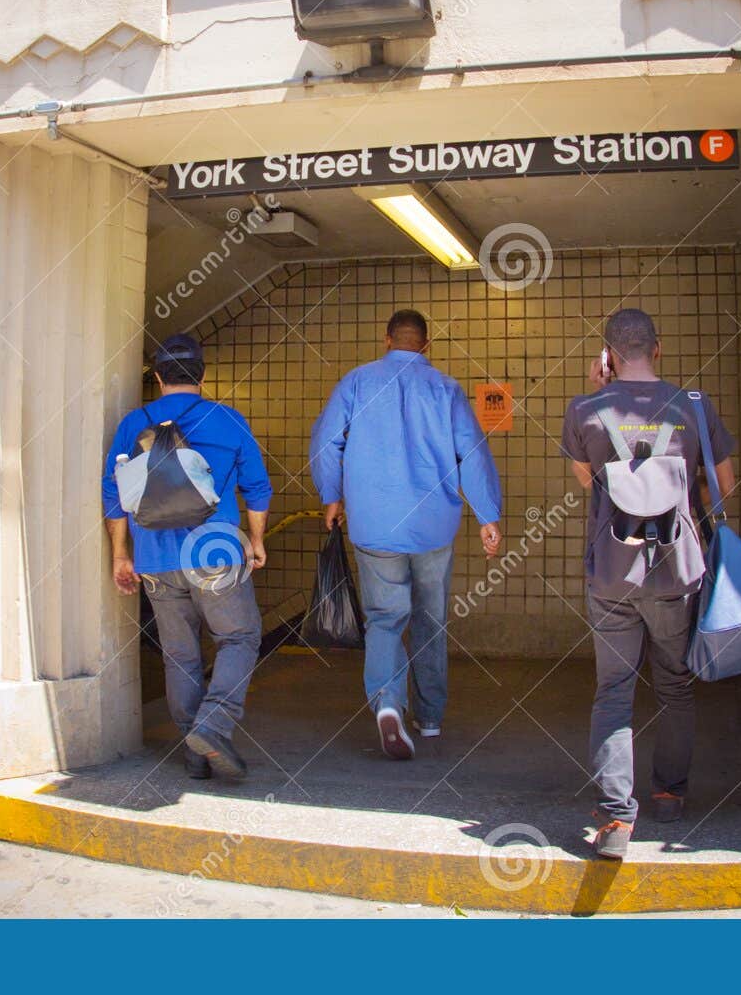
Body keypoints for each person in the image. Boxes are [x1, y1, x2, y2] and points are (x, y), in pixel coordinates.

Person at [561, 308, 736, 860]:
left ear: (608, 355)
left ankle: (615, 819)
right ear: (657, 349)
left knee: (613, 692)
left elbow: (590, 483)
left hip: (612, 572)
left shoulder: (585, 410)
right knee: (675, 685)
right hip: (677, 572)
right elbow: (724, 488)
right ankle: (667, 794)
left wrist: (600, 393)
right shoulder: (694, 408)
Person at [309, 309, 504, 761]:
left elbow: (325, 441)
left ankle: (388, 705)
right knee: (429, 619)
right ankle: (430, 718)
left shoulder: (356, 382)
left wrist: (331, 495)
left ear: (386, 339)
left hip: (375, 525)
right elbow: (472, 453)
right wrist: (487, 516)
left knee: (384, 618)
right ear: (426, 345)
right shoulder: (446, 389)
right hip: (433, 526)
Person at [102, 334, 273, 781]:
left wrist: (121, 554)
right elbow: (257, 487)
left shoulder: (132, 423)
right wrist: (255, 540)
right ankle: (212, 726)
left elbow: (113, 495)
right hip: (214, 549)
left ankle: (195, 754)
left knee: (179, 655)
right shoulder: (228, 421)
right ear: (201, 374)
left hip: (155, 557)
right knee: (238, 637)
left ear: (158, 377)